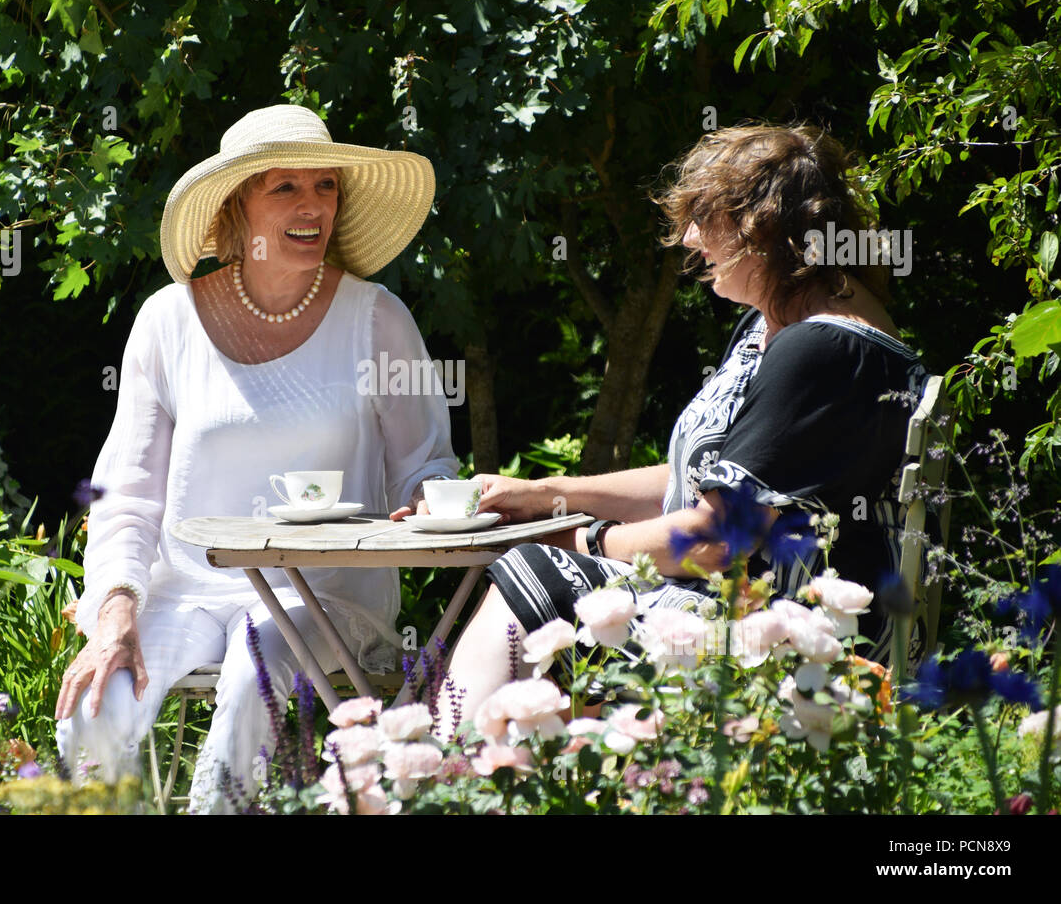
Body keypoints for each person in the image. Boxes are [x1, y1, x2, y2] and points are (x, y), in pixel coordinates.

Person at [442, 123, 928, 723]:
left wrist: (583, 539)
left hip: (786, 637)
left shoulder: (820, 350)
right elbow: (703, 478)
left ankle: (446, 777)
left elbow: (715, 539)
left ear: (763, 227)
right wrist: (550, 495)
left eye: (706, 217)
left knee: (535, 574)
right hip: (751, 610)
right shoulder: (779, 327)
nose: (692, 239)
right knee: (545, 571)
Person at [54, 104, 457, 812]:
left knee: (252, 675)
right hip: (185, 589)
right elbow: (129, 492)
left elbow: (429, 469)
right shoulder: (167, 321)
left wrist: (428, 501)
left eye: (325, 186)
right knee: (97, 704)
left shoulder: (378, 318)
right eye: (286, 188)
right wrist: (115, 608)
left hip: (323, 595)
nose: (312, 206)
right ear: (238, 205)